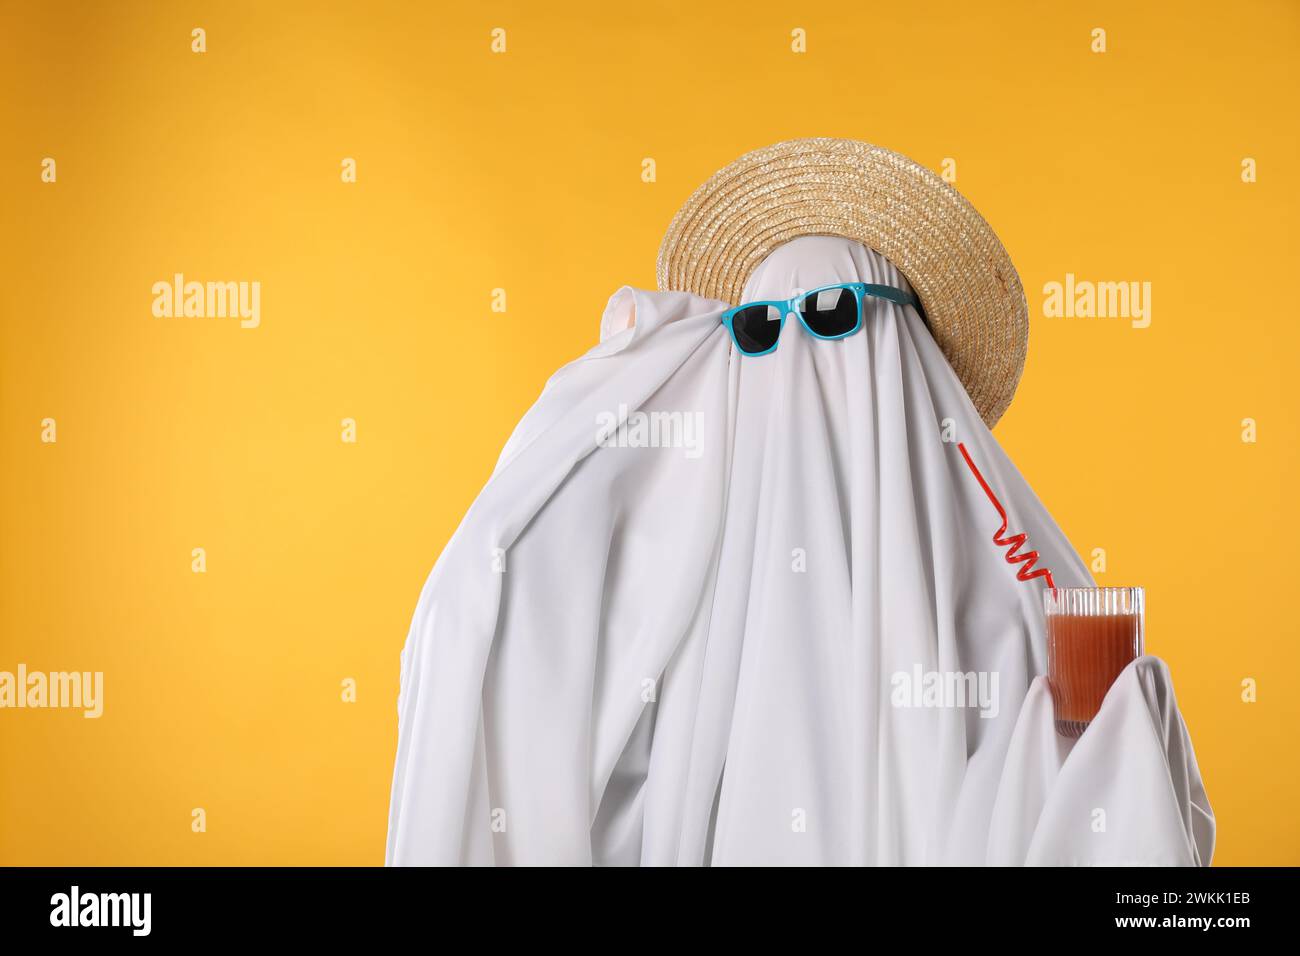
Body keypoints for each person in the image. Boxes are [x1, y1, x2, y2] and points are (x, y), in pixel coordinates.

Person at [386, 139, 1212, 866]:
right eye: (756, 330)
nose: (790, 353)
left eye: (828, 314)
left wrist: (1103, 738)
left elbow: (1094, 809)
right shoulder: (681, 576)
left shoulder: (1013, 573)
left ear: (904, 350)